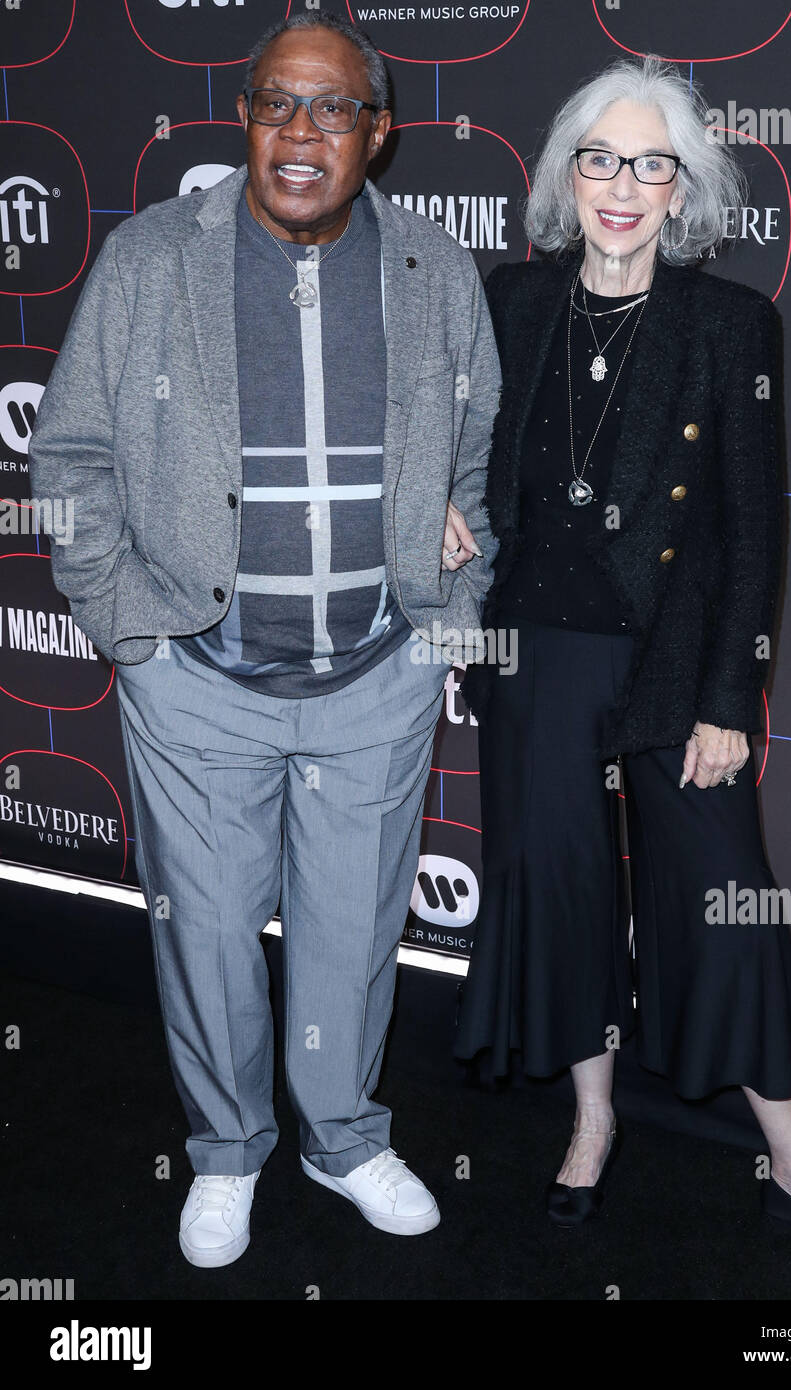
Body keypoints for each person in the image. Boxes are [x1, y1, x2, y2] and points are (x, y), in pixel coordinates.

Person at [28, 11, 499, 1267]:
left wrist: (441, 630)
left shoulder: (435, 271)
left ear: (377, 131)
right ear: (243, 118)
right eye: (276, 103)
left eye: (333, 107)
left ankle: (342, 1137)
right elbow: (67, 456)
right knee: (210, 936)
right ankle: (229, 1150)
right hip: (196, 680)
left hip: (376, 677)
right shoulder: (148, 261)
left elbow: (478, 460)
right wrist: (129, 630)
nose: (302, 132)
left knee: (350, 938)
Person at [456, 54, 791, 1272]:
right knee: (557, 897)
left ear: (682, 187)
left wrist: (729, 699)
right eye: (598, 158)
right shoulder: (511, 300)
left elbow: (752, 531)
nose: (620, 184)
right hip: (537, 649)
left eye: (648, 163)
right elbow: (458, 449)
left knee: (724, 905)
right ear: (566, 173)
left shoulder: (729, 323)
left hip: (673, 662)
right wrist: (450, 519)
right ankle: (593, 1120)